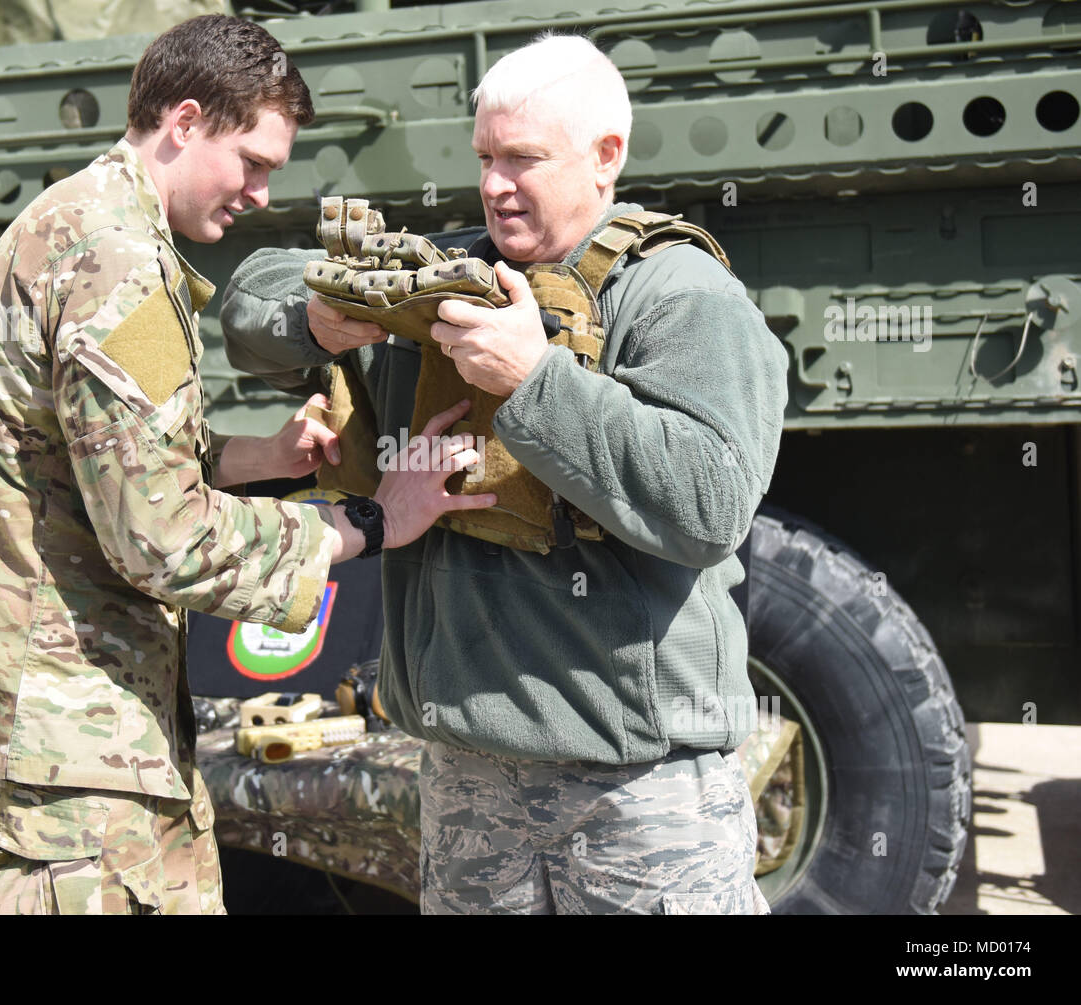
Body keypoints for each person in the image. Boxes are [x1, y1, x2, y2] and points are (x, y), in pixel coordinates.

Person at [0, 14, 493, 916]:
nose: (257, 194)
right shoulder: (118, 262)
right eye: (251, 163)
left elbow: (87, 454)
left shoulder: (72, 221)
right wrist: (372, 522)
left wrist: (260, 456)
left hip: (39, 728)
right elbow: (161, 537)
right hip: (66, 754)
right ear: (185, 121)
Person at [220, 32, 789, 914]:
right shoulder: (448, 275)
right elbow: (250, 298)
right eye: (484, 155)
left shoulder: (678, 296)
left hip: (637, 788)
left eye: (523, 158)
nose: (493, 184)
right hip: (463, 776)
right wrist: (319, 319)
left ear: (608, 158)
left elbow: (709, 506)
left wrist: (536, 382)